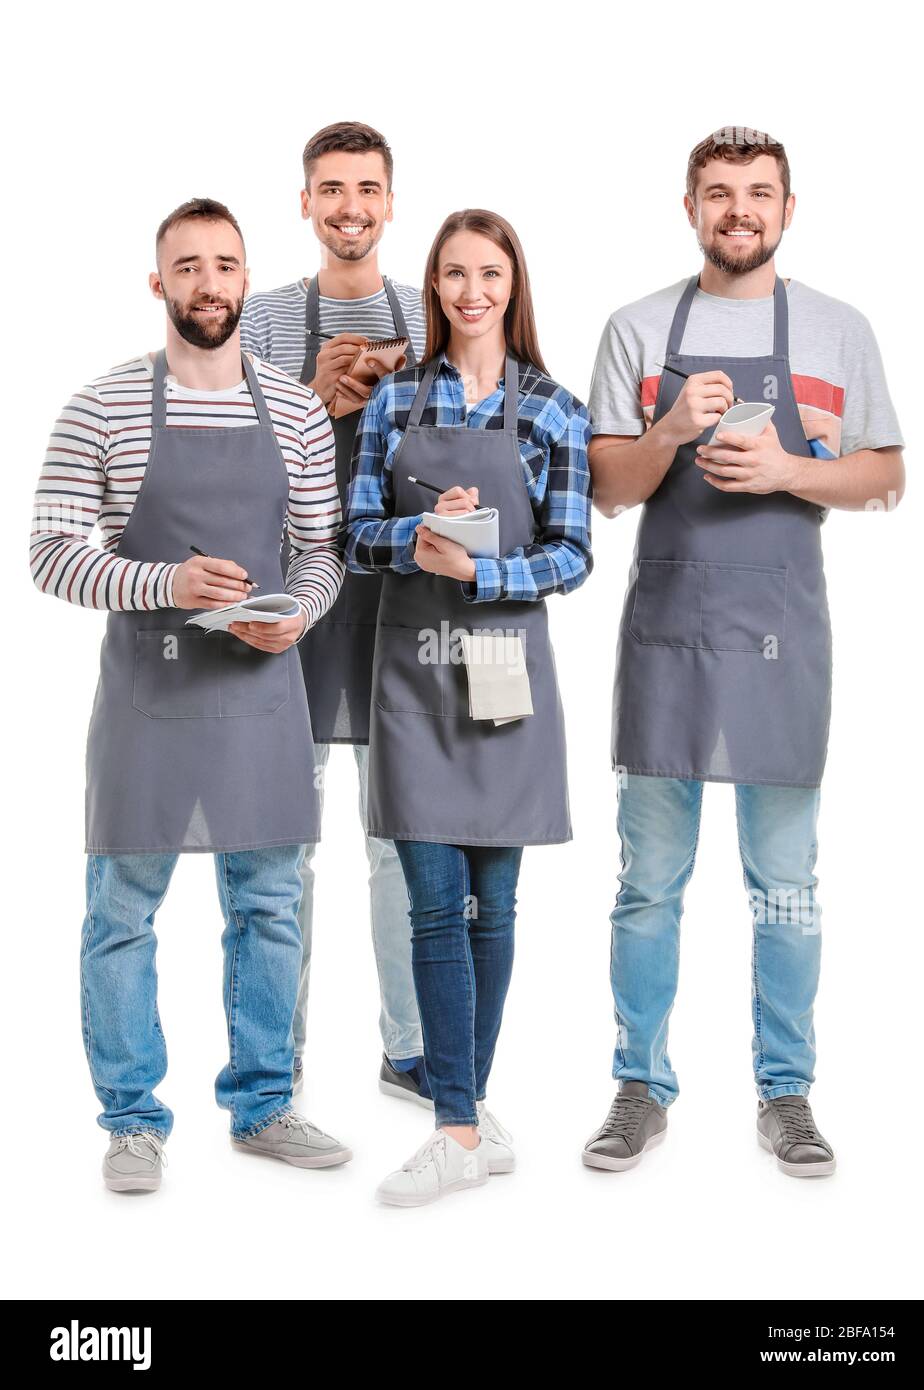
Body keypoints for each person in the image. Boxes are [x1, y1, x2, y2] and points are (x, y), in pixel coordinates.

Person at [583, 129, 905, 1177]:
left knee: (787, 884)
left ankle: (787, 1091)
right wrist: (671, 428)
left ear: (787, 208)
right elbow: (608, 489)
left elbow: (889, 479)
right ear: (690, 205)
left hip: (781, 644)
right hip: (669, 639)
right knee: (648, 885)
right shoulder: (635, 329)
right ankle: (639, 1084)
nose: (739, 211)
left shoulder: (838, 331)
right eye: (719, 194)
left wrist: (786, 471)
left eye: (758, 195)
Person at [31, 198, 353, 1192]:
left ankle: (264, 1105)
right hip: (146, 704)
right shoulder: (102, 405)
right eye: (187, 267)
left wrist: (296, 614)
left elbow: (320, 553)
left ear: (245, 282)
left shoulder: (296, 412)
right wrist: (164, 583)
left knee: (269, 907)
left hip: (262, 695)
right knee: (122, 913)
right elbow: (48, 555)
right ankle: (132, 1121)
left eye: (224, 266)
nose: (208, 283)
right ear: (158, 282)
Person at [347, 209, 593, 1206]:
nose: (471, 290)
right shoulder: (393, 402)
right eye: (453, 272)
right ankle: (458, 1123)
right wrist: (415, 532)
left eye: (489, 272)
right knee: (435, 905)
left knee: (497, 910)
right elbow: (355, 533)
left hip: (499, 669)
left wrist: (485, 566)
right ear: (434, 284)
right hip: (411, 673)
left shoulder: (552, 410)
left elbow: (574, 555)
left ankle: (464, 1114)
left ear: (513, 283)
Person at [241, 122, 430, 1106]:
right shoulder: (266, 323)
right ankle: (277, 1055)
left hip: (403, 610)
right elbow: (221, 476)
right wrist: (308, 401)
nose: (349, 205)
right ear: (305, 203)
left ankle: (409, 1051)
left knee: (401, 837)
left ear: (391, 202)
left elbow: (471, 467)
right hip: (292, 610)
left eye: (366, 187)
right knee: (284, 841)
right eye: (331, 189)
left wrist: (411, 405)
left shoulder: (433, 319)